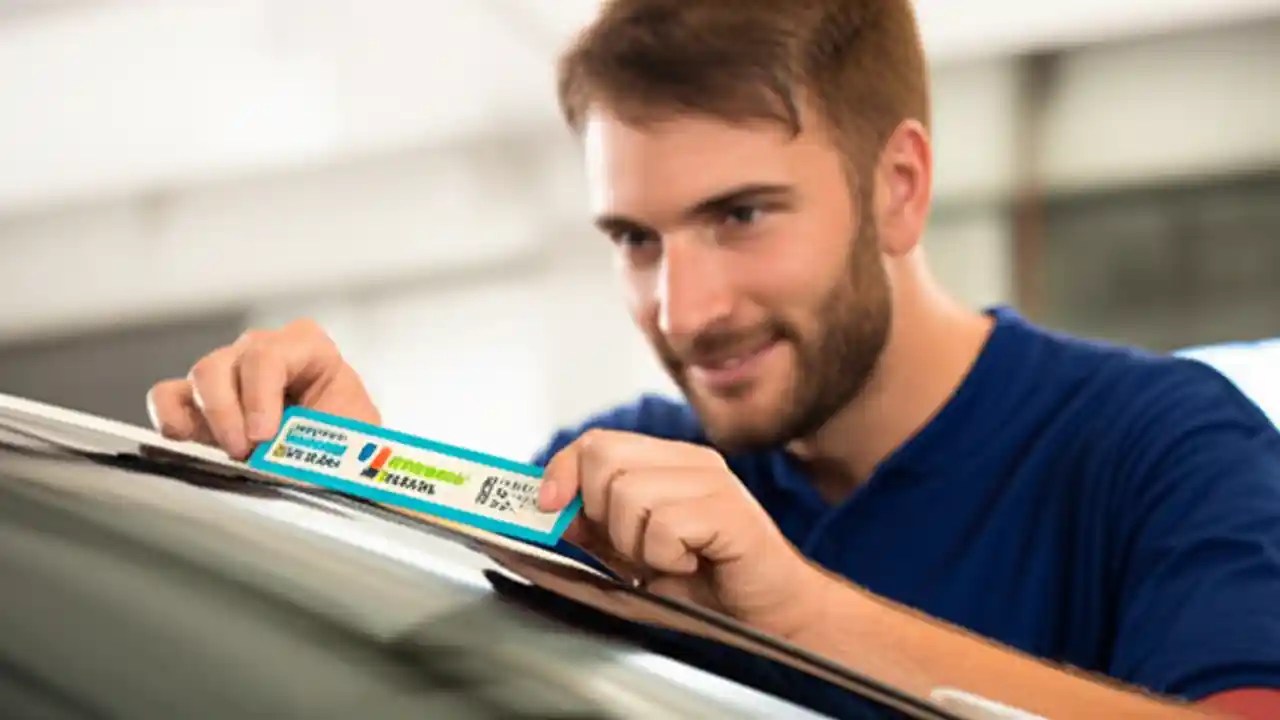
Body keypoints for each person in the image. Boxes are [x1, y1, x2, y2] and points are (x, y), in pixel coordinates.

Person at [146, 1, 1280, 717]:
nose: (682, 310)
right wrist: (349, 480)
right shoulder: (612, 474)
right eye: (634, 239)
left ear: (898, 189)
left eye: (739, 215)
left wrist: (792, 612)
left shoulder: (1165, 446)